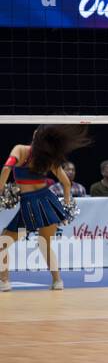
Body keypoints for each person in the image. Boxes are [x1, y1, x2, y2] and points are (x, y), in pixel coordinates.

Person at [0, 125, 91, 292]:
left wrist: (0, 190)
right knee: (45, 244)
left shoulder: (20, 149)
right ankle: (58, 281)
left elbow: (7, 167)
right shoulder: (48, 158)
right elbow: (66, 183)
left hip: (30, 204)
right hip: (49, 201)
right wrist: (67, 204)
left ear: (36, 136)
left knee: (2, 243)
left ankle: (4, 282)